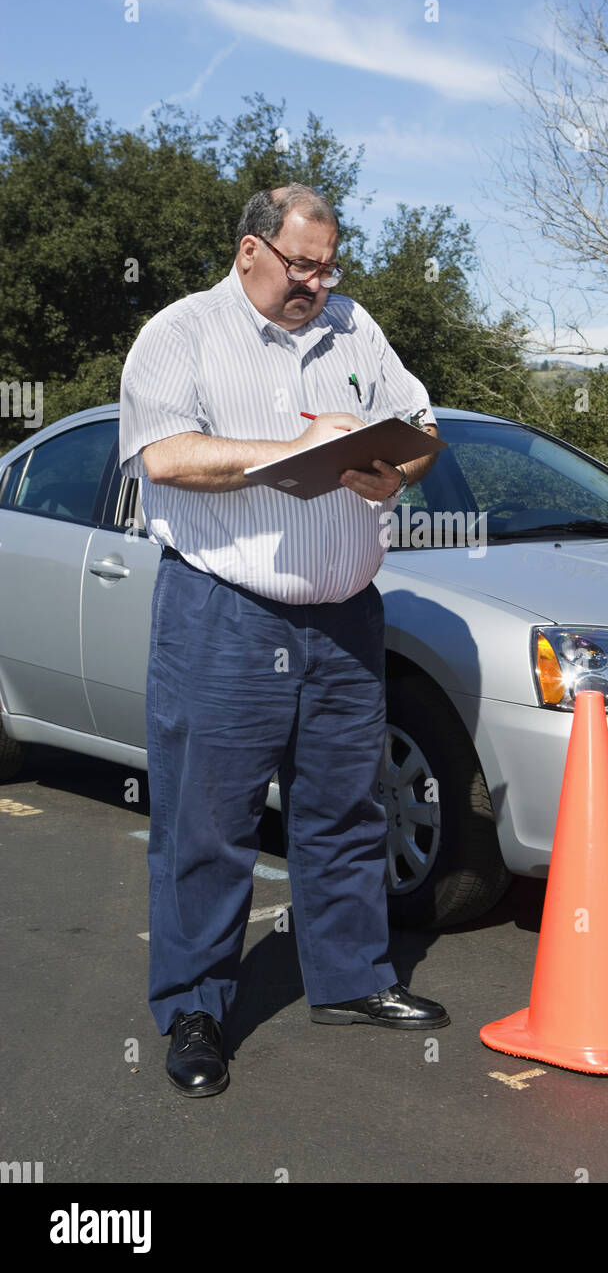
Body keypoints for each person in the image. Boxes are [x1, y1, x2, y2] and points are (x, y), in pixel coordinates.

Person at [119, 183, 449, 1097]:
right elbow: (166, 456)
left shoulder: (354, 328)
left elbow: (423, 429)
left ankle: (351, 980)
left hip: (345, 615)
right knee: (208, 823)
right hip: (224, 613)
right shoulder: (181, 333)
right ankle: (194, 1010)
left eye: (327, 265)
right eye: (300, 265)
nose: (315, 283)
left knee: (346, 811)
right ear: (249, 252)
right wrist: (292, 450)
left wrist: (393, 471)